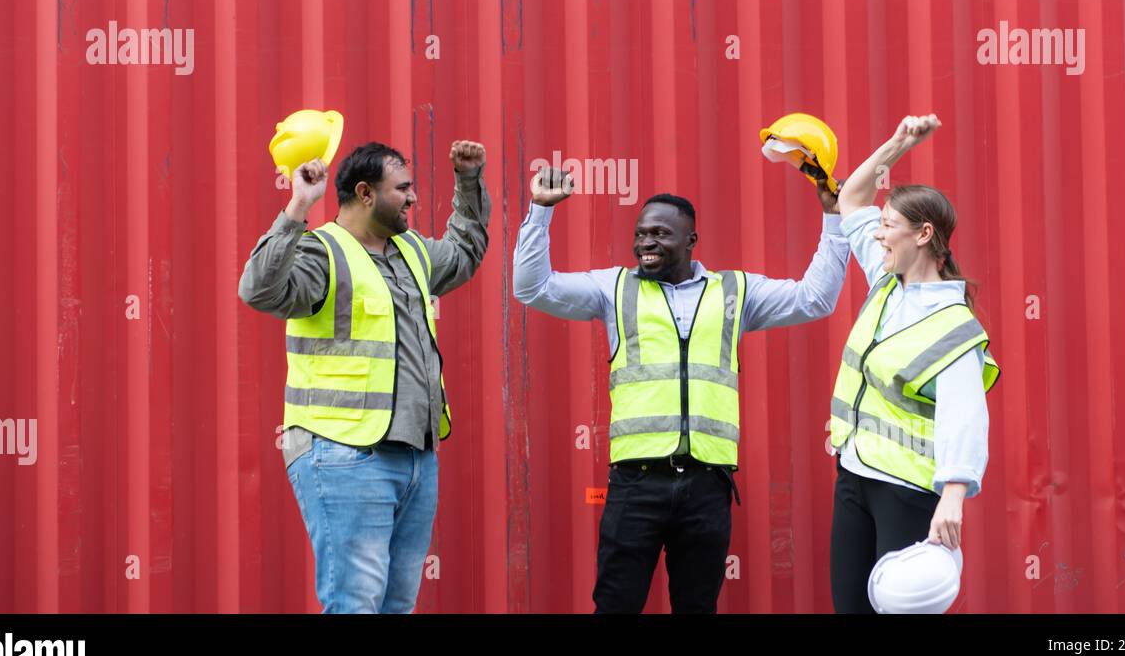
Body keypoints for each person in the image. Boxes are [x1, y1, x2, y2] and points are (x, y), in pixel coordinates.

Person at [512, 165, 850, 613]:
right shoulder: (612, 288)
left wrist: (834, 220)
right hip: (635, 483)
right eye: (640, 233)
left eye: (660, 234)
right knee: (615, 604)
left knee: (697, 608)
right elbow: (531, 287)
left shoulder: (735, 291)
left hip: (706, 486)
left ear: (691, 241)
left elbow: (816, 299)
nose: (645, 243)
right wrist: (539, 212)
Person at [238, 140, 490, 613]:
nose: (413, 198)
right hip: (344, 452)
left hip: (416, 456)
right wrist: (298, 206)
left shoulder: (411, 251)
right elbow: (258, 290)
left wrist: (469, 181)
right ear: (366, 193)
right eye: (403, 188)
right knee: (355, 604)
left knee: (397, 606)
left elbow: (463, 254)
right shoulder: (322, 253)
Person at [829, 114, 1000, 614]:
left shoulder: (955, 326)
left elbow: (964, 419)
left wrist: (952, 497)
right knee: (851, 608)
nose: (878, 235)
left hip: (906, 492)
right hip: (854, 475)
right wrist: (898, 144)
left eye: (889, 227)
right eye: (880, 227)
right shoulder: (885, 284)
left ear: (923, 234)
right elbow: (851, 200)